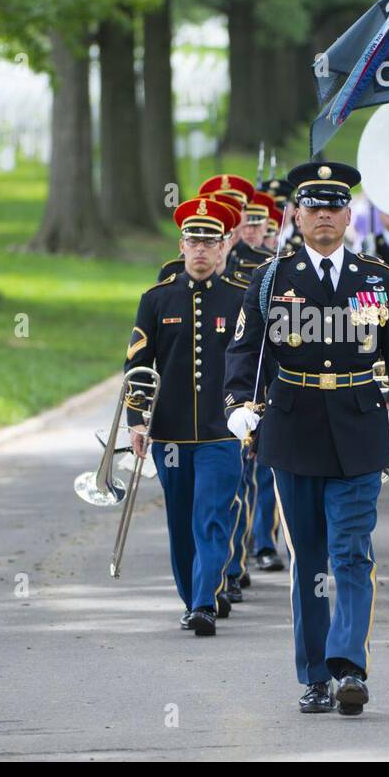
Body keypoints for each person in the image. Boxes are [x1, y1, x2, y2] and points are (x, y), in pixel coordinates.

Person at [224, 161, 389, 716]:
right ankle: (314, 675)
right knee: (309, 560)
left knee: (352, 554)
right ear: (296, 215)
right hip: (292, 429)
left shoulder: (377, 279)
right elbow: (244, 349)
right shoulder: (272, 279)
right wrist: (238, 403)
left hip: (359, 428)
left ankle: (349, 666)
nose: (325, 216)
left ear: (349, 214)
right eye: (314, 207)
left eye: (335, 207)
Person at [124, 196, 247, 635]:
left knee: (211, 515)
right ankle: (191, 593)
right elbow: (137, 368)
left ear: (222, 248)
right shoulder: (156, 299)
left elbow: (254, 363)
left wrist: (253, 412)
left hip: (221, 432)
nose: (200, 249)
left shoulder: (240, 299)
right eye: (193, 241)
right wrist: (137, 422)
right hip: (172, 433)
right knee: (180, 520)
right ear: (181, 245)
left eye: (209, 242)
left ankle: (203, 601)